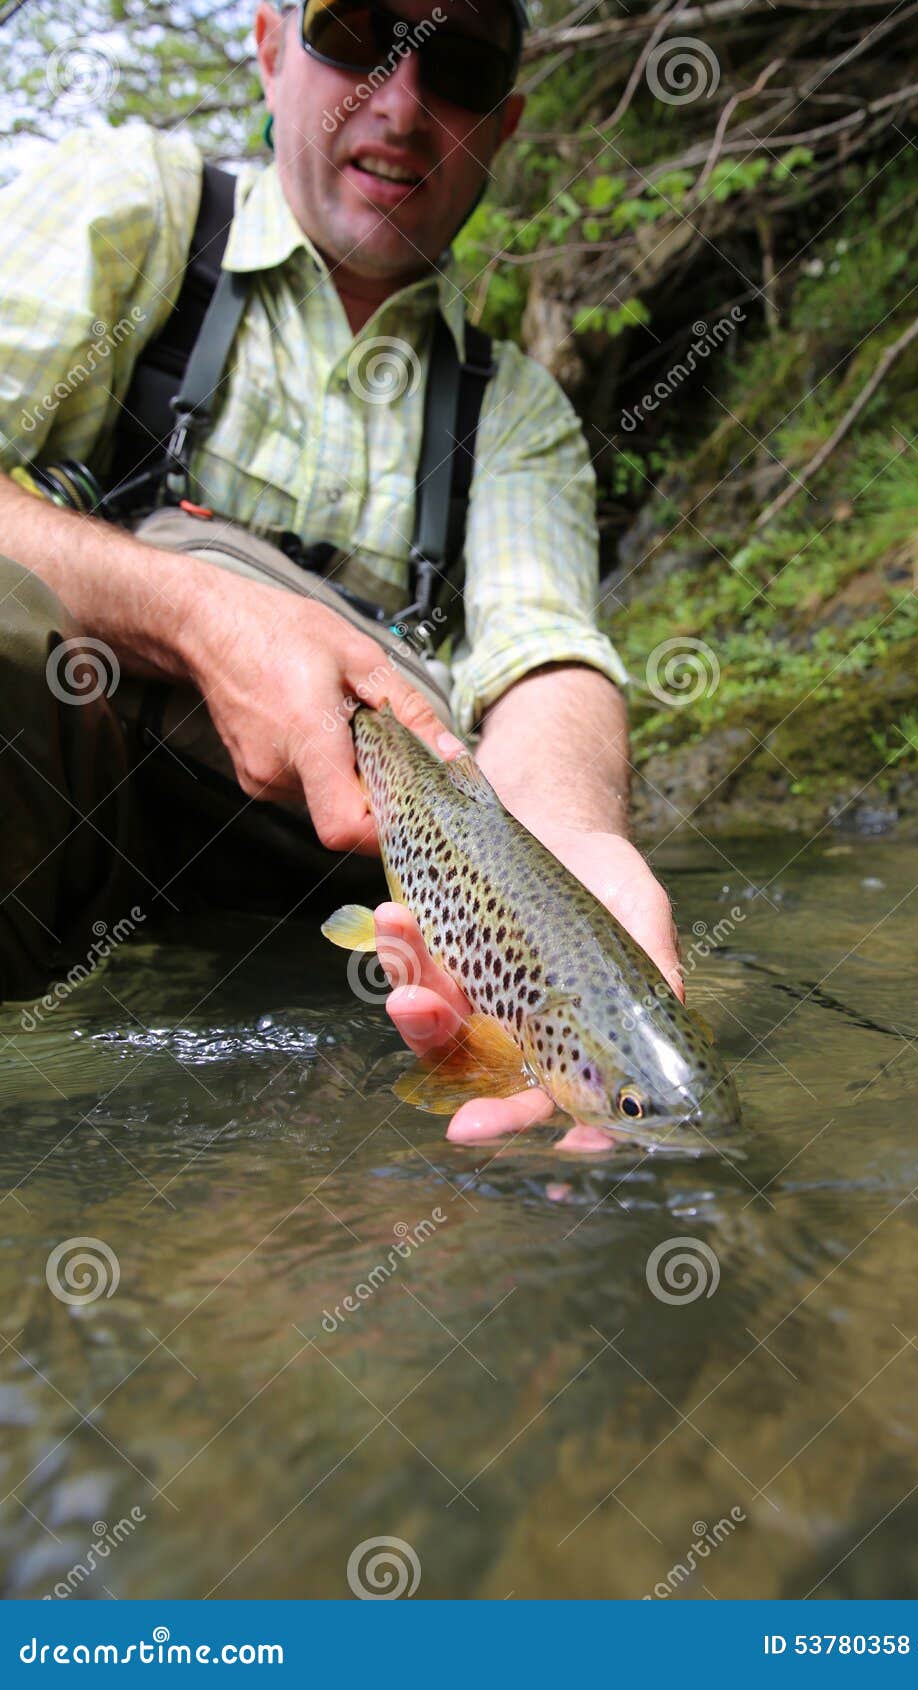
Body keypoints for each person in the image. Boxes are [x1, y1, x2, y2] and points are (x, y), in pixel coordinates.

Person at [0, 0, 682, 1149]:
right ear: (269, 47)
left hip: (321, 928)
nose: (402, 103)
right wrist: (195, 613)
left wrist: (570, 875)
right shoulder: (133, 210)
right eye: (358, 34)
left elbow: (543, 656)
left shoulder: (512, 414)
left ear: (503, 124)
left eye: (457, 66)